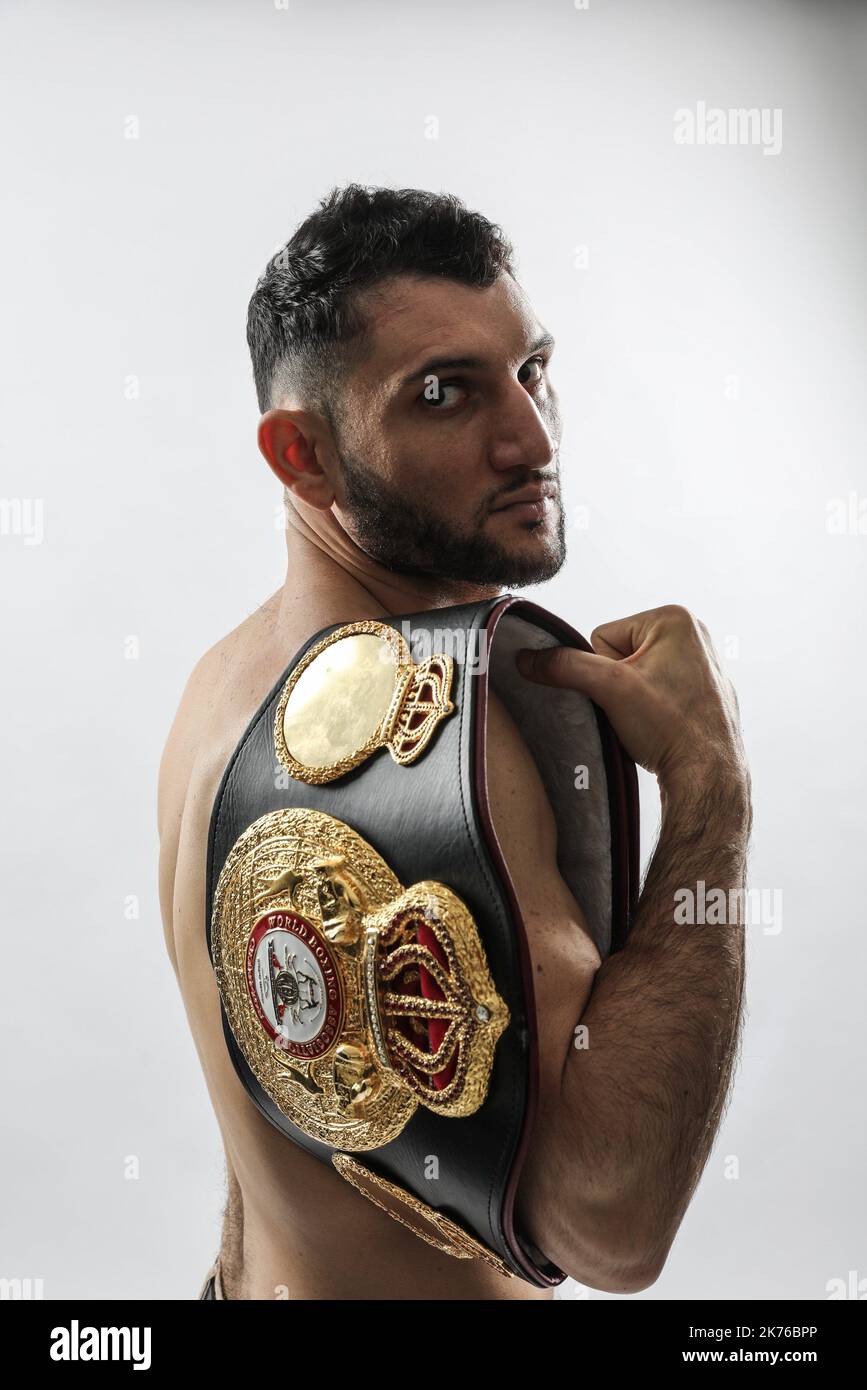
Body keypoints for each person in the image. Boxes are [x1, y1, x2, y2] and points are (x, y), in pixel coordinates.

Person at [158, 184, 751, 1301]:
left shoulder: (227, 683)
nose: (533, 438)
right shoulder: (428, 740)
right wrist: (711, 783)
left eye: (533, 371)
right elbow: (610, 1228)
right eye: (445, 394)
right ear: (304, 456)